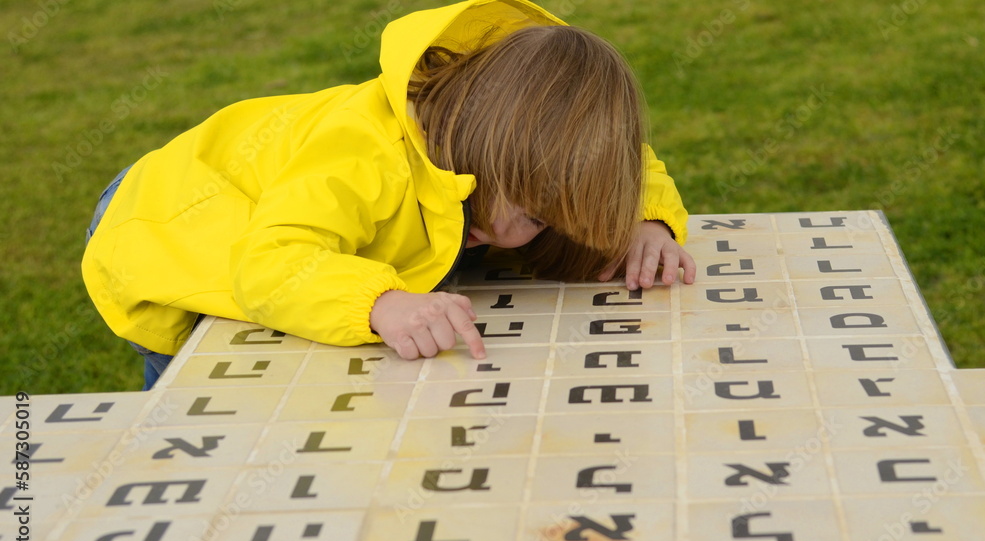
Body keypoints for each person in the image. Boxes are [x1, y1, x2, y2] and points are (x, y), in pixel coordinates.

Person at [82, 0, 696, 390]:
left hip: (264, 208)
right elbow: (267, 268)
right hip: (172, 223)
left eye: (537, 219)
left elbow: (623, 162)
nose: (510, 236)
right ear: (476, 135)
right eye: (510, 204)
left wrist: (648, 221)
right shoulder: (361, 152)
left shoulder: (503, 138)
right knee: (204, 402)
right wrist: (378, 303)